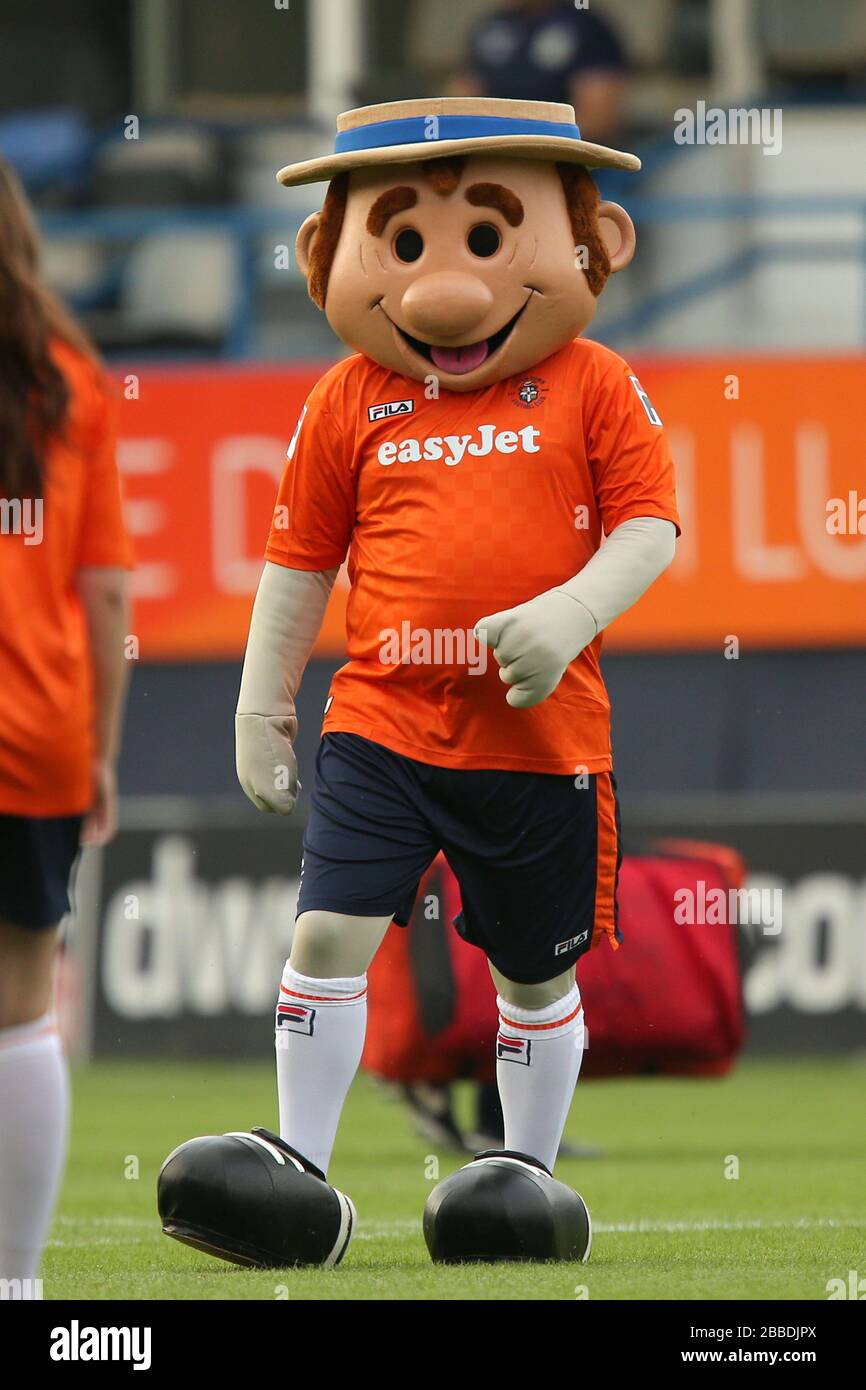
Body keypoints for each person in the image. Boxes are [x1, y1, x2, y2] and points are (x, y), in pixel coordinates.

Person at [234, 96, 679, 1204]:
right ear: (321, 256)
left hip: (537, 740)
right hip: (381, 720)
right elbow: (298, 561)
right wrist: (262, 705)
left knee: (533, 972)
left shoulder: (595, 382)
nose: (445, 287)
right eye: (401, 244)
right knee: (328, 933)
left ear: (598, 241)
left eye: (488, 239)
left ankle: (522, 1177)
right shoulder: (345, 398)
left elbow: (648, 528)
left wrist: (570, 612)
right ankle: (303, 1170)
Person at [0, 158, 132, 1291]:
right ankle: (19, 1281)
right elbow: (104, 596)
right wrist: (96, 752)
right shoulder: (71, 388)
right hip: (35, 733)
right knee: (21, 1006)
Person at [452, 0, 628, 144]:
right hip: (491, 154)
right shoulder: (488, 27)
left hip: (566, 161)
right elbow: (460, 106)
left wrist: (523, 143)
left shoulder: (588, 27)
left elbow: (597, 122)